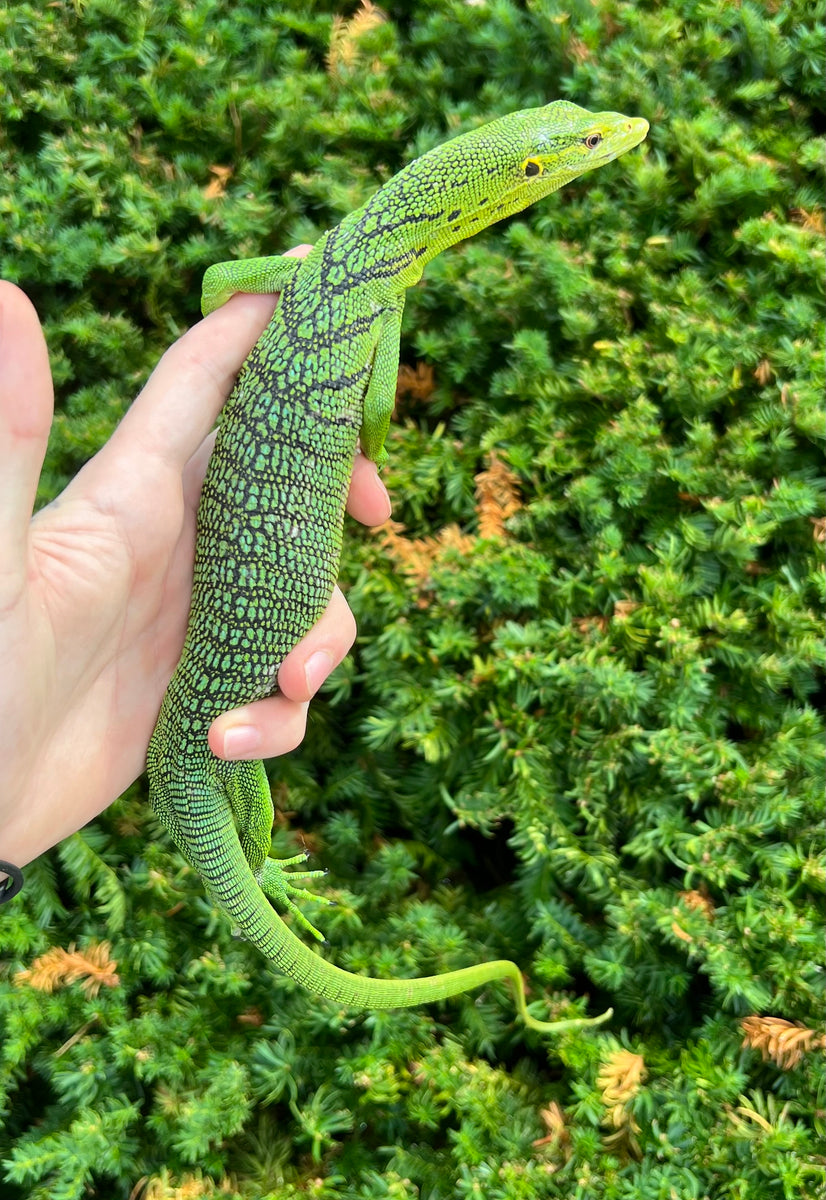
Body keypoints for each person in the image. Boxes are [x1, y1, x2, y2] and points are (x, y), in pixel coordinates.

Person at [0, 249, 391, 885]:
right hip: (208, 662)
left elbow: (217, 284)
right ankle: (259, 868)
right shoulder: (370, 298)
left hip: (207, 654)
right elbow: (375, 426)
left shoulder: (327, 280)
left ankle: (260, 869)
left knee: (239, 735)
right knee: (240, 734)